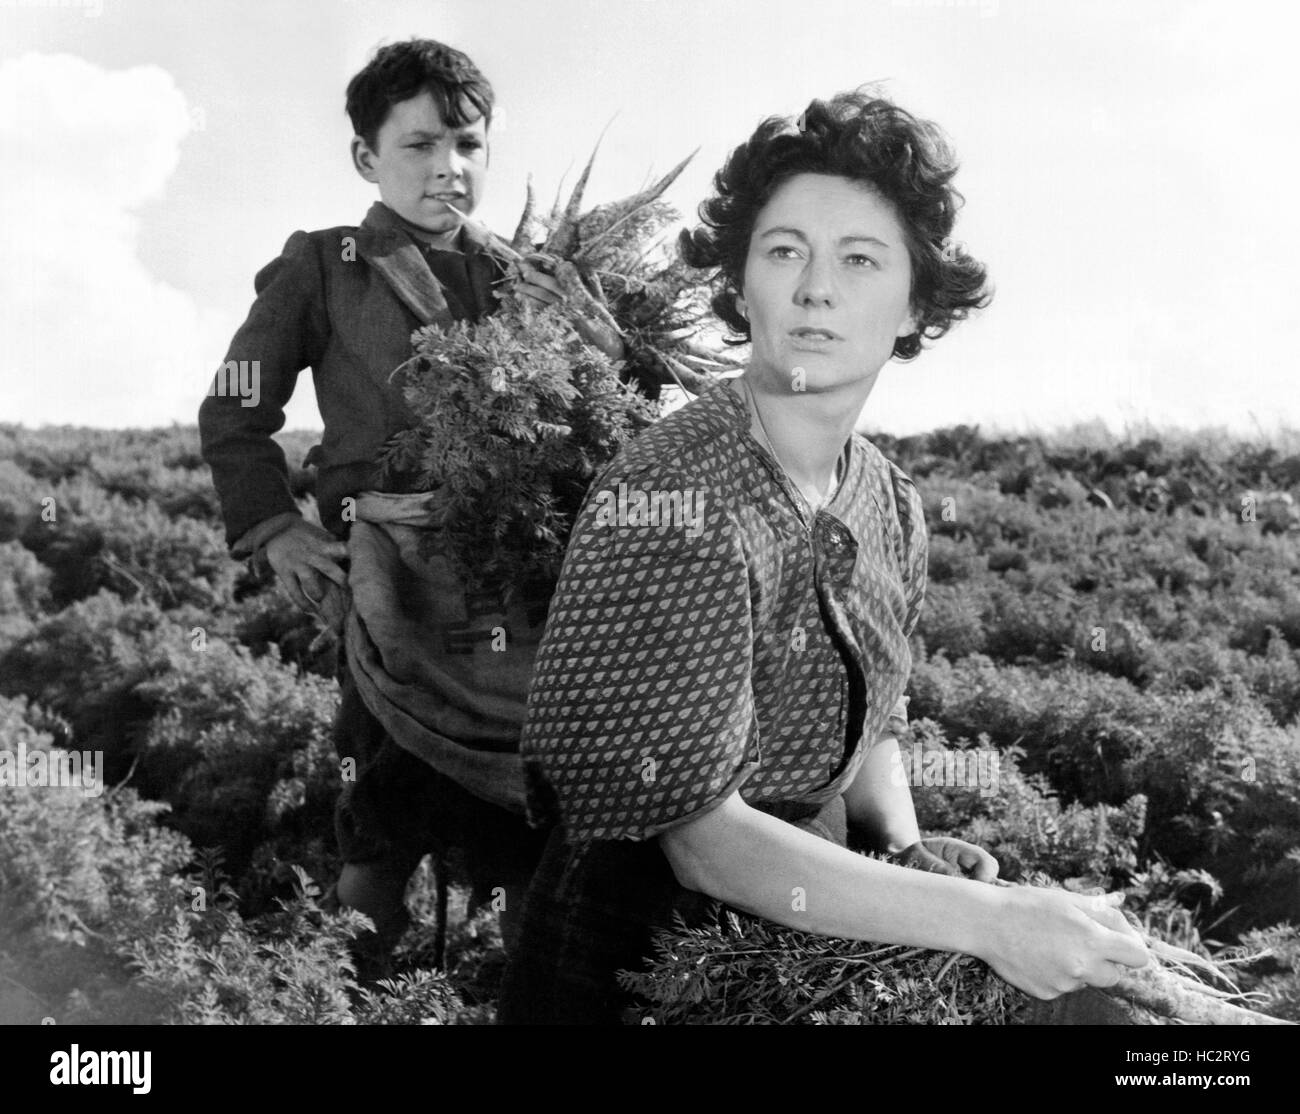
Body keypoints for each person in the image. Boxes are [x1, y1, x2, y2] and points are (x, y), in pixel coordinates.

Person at [499, 90, 1150, 1024]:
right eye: (783, 251)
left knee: (1157, 1045)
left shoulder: (886, 498)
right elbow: (704, 843)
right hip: (636, 954)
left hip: (809, 929)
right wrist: (992, 920)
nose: (815, 288)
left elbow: (875, 710)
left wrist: (904, 843)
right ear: (740, 284)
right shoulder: (674, 499)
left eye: (859, 258)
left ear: (914, 300)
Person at [198, 38, 620, 962]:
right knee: (381, 820)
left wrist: (598, 335)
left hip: (515, 586)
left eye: (467, 145)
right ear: (366, 158)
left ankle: (517, 1000)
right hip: (391, 585)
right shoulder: (323, 265)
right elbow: (234, 407)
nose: (448, 169)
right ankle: (343, 990)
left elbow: (609, 415)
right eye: (421, 146)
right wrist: (276, 526)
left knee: (525, 815)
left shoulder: (531, 276)